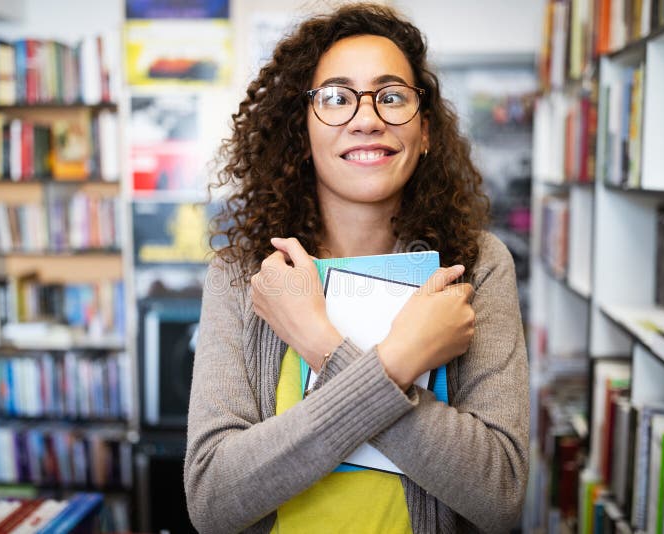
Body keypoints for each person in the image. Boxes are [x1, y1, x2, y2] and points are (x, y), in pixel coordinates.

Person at [184, 3, 529, 533]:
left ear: (427, 131)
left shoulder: (478, 266)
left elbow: (500, 495)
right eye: (337, 99)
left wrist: (322, 344)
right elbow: (212, 501)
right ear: (302, 131)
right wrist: (397, 361)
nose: (367, 119)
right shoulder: (241, 276)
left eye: (391, 97)